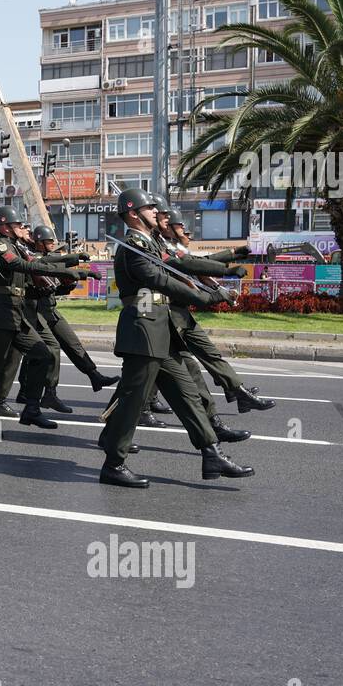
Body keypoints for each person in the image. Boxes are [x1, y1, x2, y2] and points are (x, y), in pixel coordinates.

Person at [97, 188, 254, 488]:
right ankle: (113, 464)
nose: (157, 212)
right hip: (142, 330)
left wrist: (224, 271)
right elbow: (160, 280)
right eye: (150, 208)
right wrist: (205, 297)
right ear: (133, 213)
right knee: (132, 400)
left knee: (187, 395)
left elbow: (182, 263)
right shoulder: (132, 245)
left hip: (161, 330)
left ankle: (212, 454)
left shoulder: (151, 243)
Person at [0, 208, 92, 438]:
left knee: (42, 354)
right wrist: (68, 270)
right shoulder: (1, 247)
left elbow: (42, 260)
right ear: (5, 227)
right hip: (0, 314)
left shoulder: (16, 247)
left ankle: (32, 408)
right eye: (18, 225)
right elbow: (25, 266)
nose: (23, 228)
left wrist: (77, 270)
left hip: (16, 314)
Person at [166, 208, 275, 413]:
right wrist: (228, 267)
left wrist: (234, 254)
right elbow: (194, 265)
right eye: (181, 226)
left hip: (180, 311)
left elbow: (201, 262)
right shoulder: (165, 247)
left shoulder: (174, 246)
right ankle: (137, 409)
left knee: (208, 354)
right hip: (167, 312)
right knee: (150, 371)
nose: (186, 231)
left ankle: (238, 392)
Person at [25, 225, 118, 402]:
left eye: (53, 241)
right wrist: (80, 269)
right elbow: (49, 266)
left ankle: (94, 376)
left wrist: (68, 284)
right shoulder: (33, 259)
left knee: (72, 343)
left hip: (50, 309)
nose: (53, 244)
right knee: (46, 351)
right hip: (35, 311)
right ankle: (48, 393)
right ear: (39, 242)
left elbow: (55, 288)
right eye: (49, 241)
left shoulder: (49, 258)